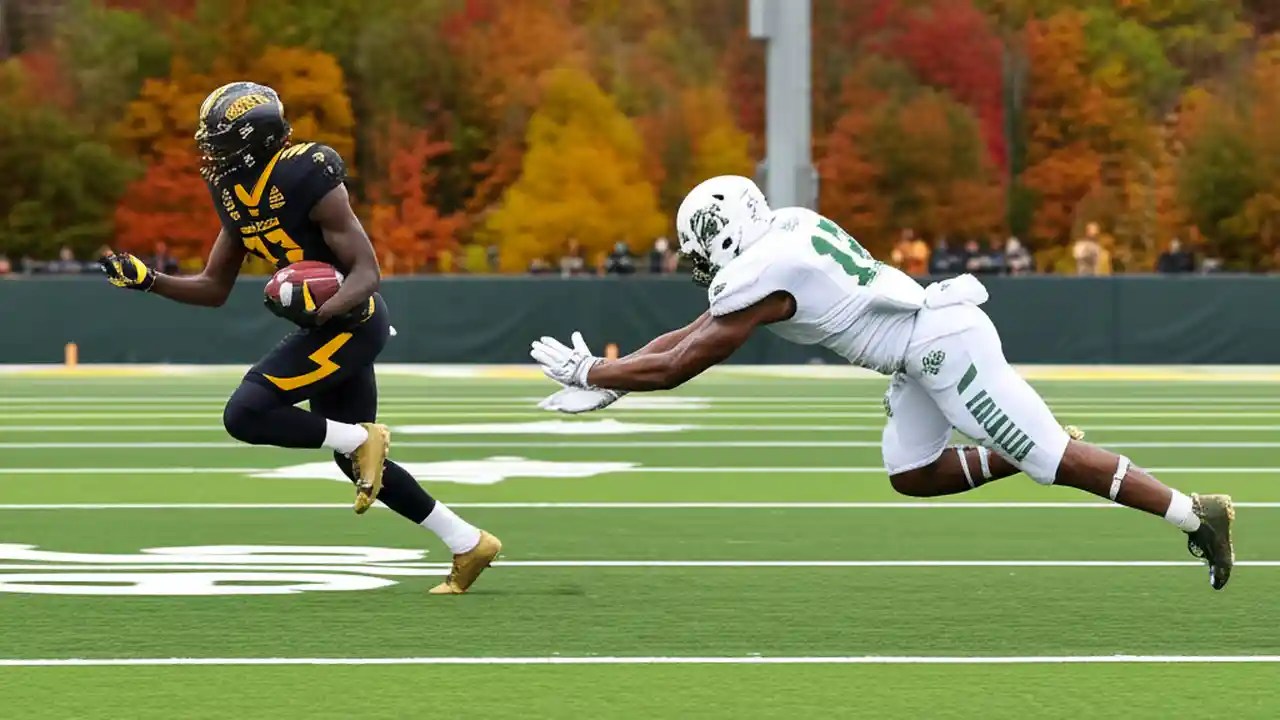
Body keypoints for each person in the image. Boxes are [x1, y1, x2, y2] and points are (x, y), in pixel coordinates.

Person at [530, 175, 1235, 590]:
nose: (698, 265)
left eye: (699, 250)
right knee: (912, 471)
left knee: (1052, 461)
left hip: (942, 347)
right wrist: (615, 381)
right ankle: (1017, 453)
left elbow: (688, 360)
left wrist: (598, 369)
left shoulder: (767, 270)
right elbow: (691, 333)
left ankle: (1196, 514)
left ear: (724, 234)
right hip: (917, 351)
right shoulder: (787, 228)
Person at [97, 82, 499, 594]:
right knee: (346, 457)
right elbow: (213, 287)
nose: (212, 153)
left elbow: (367, 272)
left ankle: (364, 438)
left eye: (220, 142)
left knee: (245, 414)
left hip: (352, 322)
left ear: (252, 139)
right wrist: (150, 281)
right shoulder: (233, 193)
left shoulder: (305, 173)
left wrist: (322, 312)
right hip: (331, 327)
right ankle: (468, 542)